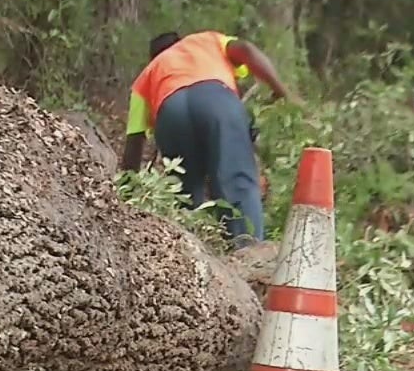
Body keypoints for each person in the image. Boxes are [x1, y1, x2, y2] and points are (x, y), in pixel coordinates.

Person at [120, 30, 300, 246]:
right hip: (216, 101)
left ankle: (191, 255)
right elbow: (247, 50)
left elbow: (133, 146)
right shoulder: (205, 40)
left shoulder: (146, 76)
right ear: (180, 42)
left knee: (185, 195)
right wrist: (282, 92)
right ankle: (247, 252)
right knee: (236, 181)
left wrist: (125, 198)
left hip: (170, 113)